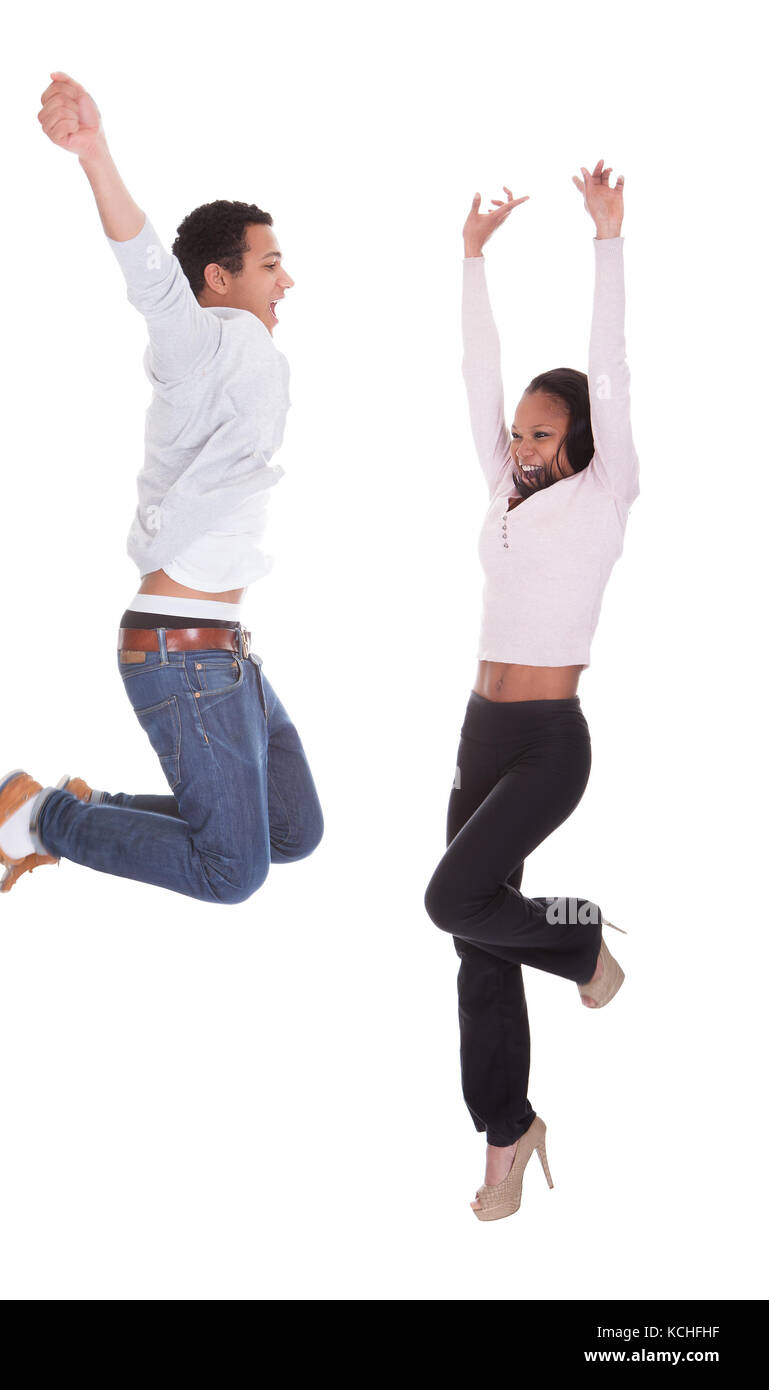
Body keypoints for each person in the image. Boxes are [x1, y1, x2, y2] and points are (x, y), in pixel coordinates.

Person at [0, 72, 323, 902]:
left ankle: (77, 808)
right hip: (178, 651)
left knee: (293, 829)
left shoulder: (247, 355)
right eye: (270, 264)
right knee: (234, 874)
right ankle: (48, 819)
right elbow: (153, 278)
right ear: (219, 280)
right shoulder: (201, 344)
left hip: (223, 648)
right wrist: (95, 156)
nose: (286, 280)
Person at [423, 161, 639, 1221]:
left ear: (580, 441)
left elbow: (611, 366)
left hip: (550, 740)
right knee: (473, 940)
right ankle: (506, 1128)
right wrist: (470, 257)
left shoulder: (604, 495)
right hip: (479, 732)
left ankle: (581, 934)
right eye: (516, 430)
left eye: (540, 433)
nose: (519, 445)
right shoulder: (502, 488)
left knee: (450, 899)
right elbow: (476, 373)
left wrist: (604, 239)